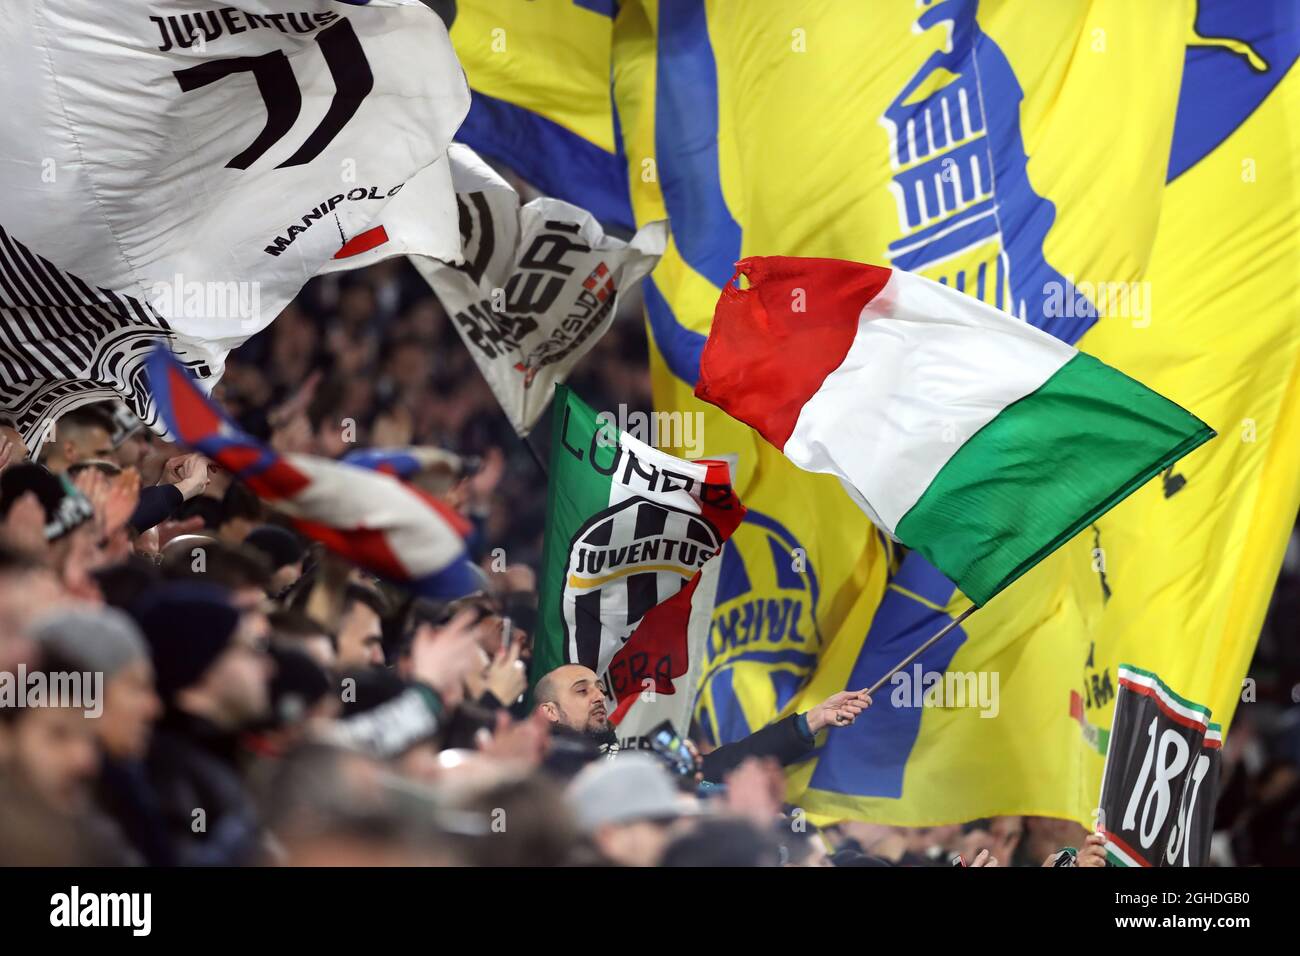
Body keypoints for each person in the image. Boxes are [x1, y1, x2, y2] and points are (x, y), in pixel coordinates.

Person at [533, 663, 872, 781]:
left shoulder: (643, 754)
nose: (598, 696)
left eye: (599, 688)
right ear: (549, 711)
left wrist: (810, 720)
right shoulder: (538, 772)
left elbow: (719, 767)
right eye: (582, 690)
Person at [133, 582, 274, 865]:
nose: (269, 666)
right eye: (251, 649)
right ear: (199, 666)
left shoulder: (215, 757)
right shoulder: (168, 775)